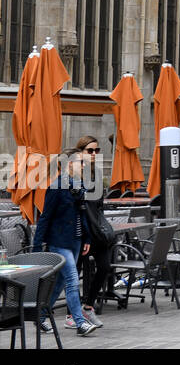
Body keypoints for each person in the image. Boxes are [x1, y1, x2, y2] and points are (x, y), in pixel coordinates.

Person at [31, 150, 98, 336]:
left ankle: (40, 316)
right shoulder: (56, 187)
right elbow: (45, 218)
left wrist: (86, 238)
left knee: (60, 282)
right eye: (80, 163)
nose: (83, 166)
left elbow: (82, 214)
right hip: (59, 241)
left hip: (75, 240)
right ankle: (80, 322)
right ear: (69, 164)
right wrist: (37, 246)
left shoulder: (78, 185)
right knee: (72, 279)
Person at [72, 136, 114, 325]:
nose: (94, 154)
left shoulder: (96, 173)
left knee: (104, 266)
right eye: (90, 151)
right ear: (80, 151)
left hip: (97, 230)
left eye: (97, 151)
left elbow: (98, 205)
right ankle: (71, 313)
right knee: (75, 272)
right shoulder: (72, 173)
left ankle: (88, 306)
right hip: (81, 230)